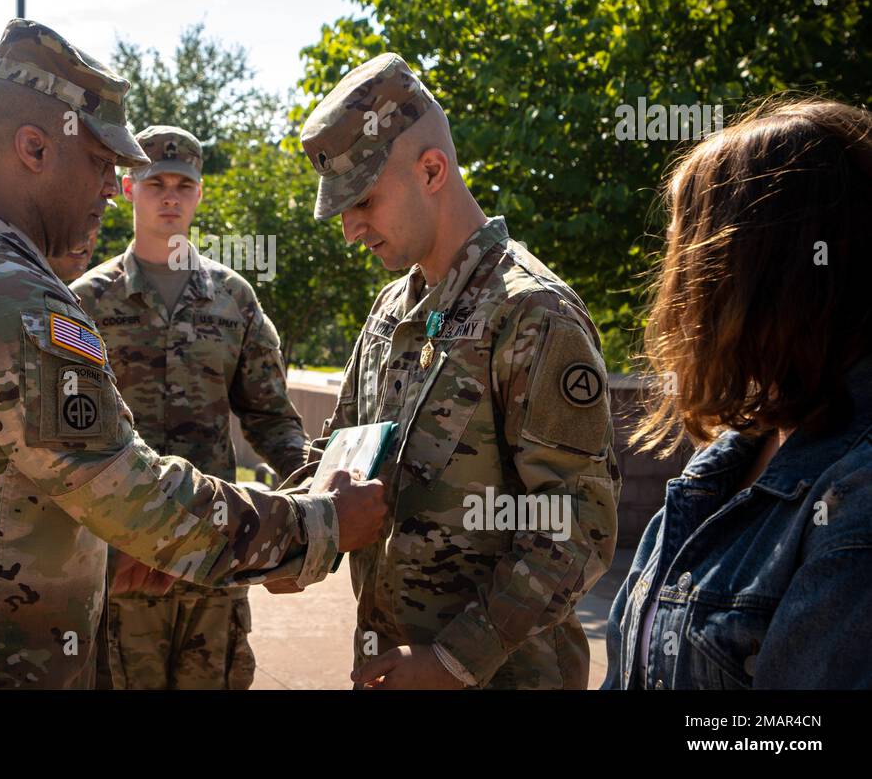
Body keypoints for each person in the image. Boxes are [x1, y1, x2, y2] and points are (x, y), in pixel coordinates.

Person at [0, 18, 387, 689]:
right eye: (100, 165)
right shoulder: (11, 298)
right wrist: (319, 525)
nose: (108, 190)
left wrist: (101, 560)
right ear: (34, 148)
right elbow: (135, 493)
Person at [294, 53, 621, 689]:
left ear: (433, 169)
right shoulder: (394, 307)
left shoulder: (532, 315)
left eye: (362, 201)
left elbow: (577, 527)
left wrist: (454, 660)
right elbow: (337, 450)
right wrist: (284, 539)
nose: (350, 230)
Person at [603, 99, 872, 690]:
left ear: (759, 277)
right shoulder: (733, 454)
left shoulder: (856, 500)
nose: (673, 287)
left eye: (688, 253)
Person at [72, 126, 311, 690]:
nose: (171, 197)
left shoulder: (233, 299)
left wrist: (314, 494)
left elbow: (270, 417)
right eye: (157, 183)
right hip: (120, 561)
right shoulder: (86, 301)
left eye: (184, 184)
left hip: (215, 556)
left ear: (201, 194)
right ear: (130, 189)